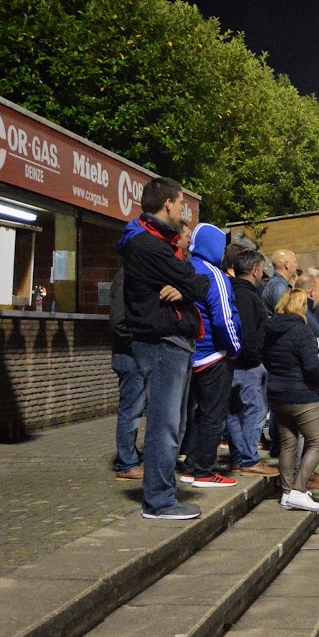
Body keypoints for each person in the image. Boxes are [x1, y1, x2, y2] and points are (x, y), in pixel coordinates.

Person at [116, 178, 210, 520]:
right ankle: (158, 500)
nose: (184, 210)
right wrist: (187, 285)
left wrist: (184, 287)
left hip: (172, 342)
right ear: (168, 203)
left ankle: (163, 494)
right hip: (162, 342)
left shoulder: (159, 244)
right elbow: (196, 281)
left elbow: (194, 282)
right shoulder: (149, 246)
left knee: (175, 423)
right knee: (164, 424)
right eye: (181, 203)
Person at [176, 224, 243, 489]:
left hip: (190, 353)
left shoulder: (185, 269)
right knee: (213, 416)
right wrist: (234, 348)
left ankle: (191, 467)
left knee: (198, 415)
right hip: (214, 354)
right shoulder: (215, 275)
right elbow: (223, 318)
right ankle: (204, 471)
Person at [261, 289, 319, 512]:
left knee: (288, 443)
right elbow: (311, 366)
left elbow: (264, 356)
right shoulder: (302, 330)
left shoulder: (269, 328)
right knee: (318, 442)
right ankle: (298, 490)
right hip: (301, 395)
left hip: (277, 394)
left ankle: (287, 493)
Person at [225, 249, 275, 477]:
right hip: (247, 364)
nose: (263, 273)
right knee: (255, 411)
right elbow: (247, 332)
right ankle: (249, 459)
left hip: (235, 363)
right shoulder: (246, 295)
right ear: (255, 270)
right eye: (262, 269)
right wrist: (256, 359)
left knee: (235, 412)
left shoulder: (232, 290)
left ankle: (239, 458)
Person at [108, 265, 146, 481]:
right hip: (130, 354)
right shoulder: (127, 274)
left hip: (132, 352)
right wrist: (136, 344)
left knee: (134, 409)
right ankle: (126, 463)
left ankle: (130, 456)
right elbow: (118, 319)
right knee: (130, 410)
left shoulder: (131, 273)